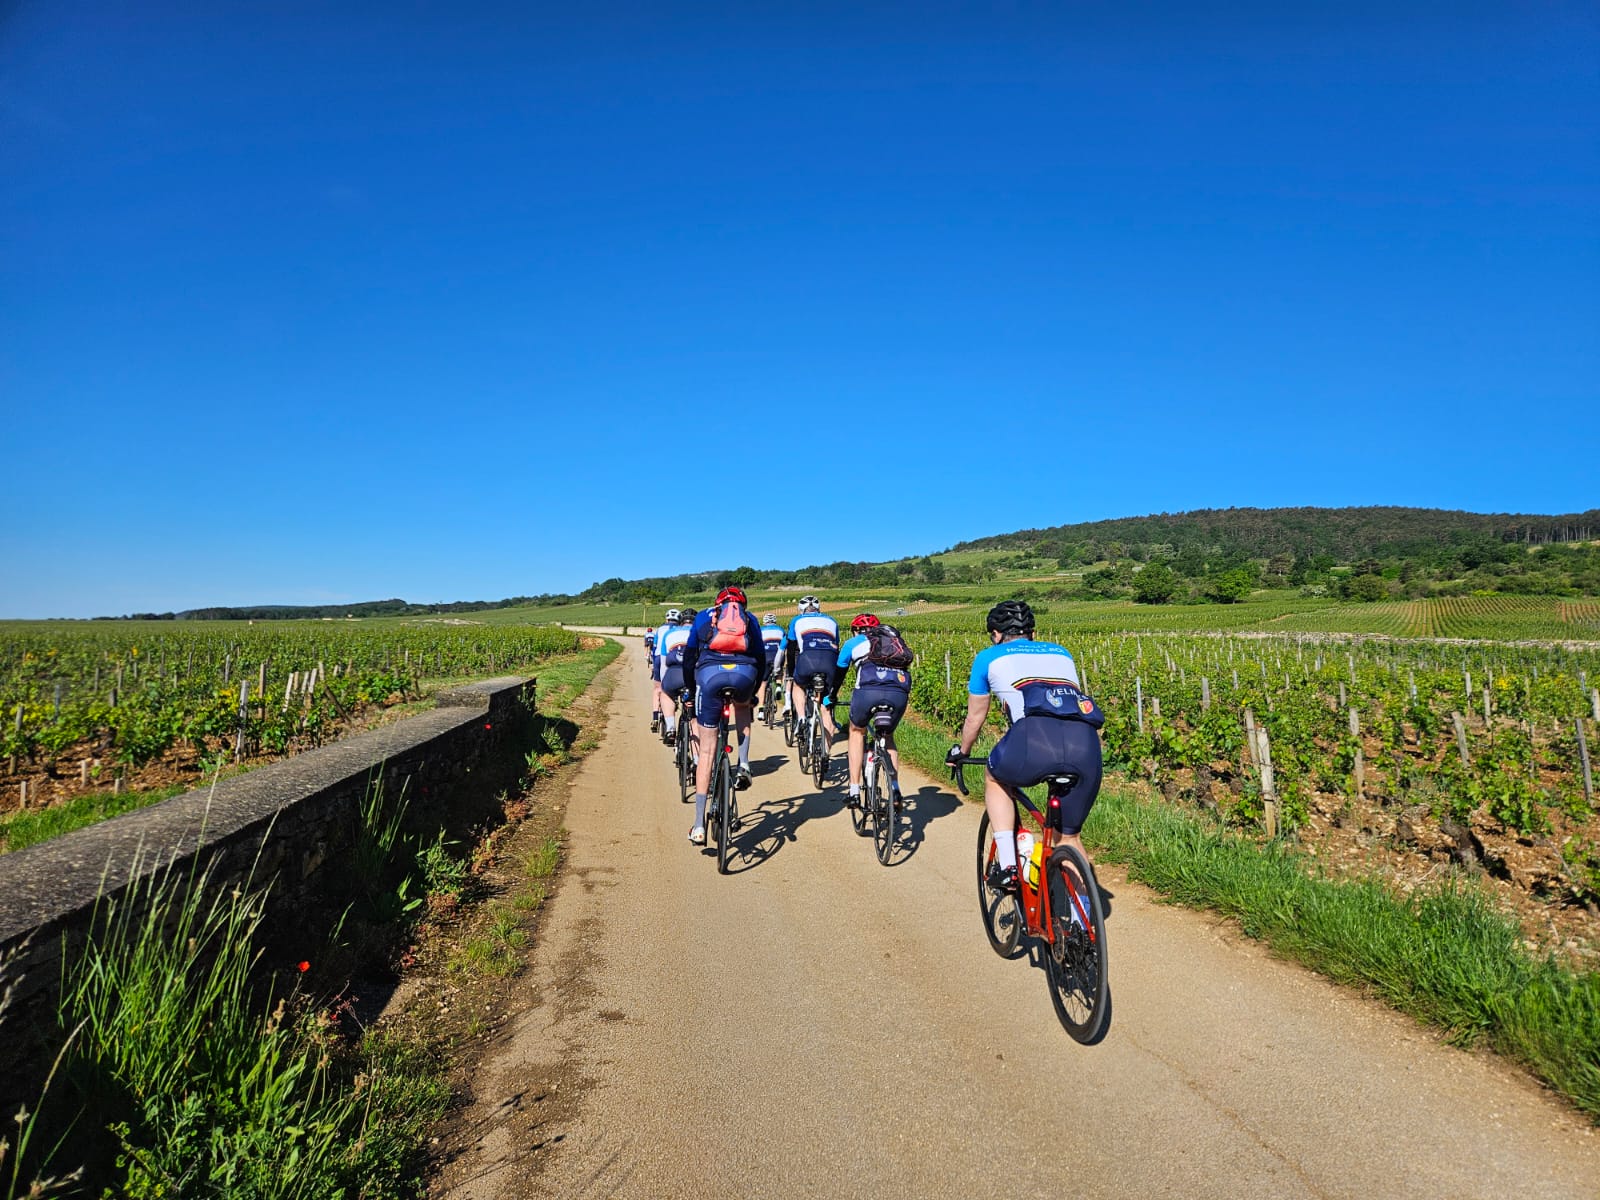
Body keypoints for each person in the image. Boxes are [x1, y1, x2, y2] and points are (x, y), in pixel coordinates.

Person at [945, 600, 1103, 891]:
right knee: (1068, 838)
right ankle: (1083, 923)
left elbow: (975, 717)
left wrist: (962, 751)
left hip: (1033, 737)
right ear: (1032, 632)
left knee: (995, 777)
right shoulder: (1062, 652)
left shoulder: (987, 657)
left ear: (995, 633)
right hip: (1086, 742)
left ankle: (1008, 868)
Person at [681, 587, 767, 844]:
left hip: (710, 676)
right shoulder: (749, 619)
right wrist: (754, 691)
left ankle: (698, 825)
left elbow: (688, 657)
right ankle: (743, 764)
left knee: (707, 752)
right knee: (742, 707)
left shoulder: (703, 616)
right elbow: (761, 658)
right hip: (744, 675)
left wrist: (690, 689)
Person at [835, 614, 911, 811]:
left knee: (856, 731)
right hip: (898, 692)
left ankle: (853, 791)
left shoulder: (853, 643)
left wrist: (830, 696)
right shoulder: (894, 643)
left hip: (868, 692)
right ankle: (895, 789)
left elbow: (839, 674)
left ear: (855, 630)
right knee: (889, 736)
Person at [782, 595, 841, 742]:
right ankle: (825, 755)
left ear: (801, 609)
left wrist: (791, 672)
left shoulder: (796, 620)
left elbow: (791, 648)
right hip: (830, 661)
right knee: (826, 702)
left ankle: (802, 717)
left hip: (807, 659)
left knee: (798, 684)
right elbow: (836, 646)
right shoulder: (832, 620)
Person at [654, 610, 693, 744]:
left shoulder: (670, 633)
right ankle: (696, 758)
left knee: (665, 693)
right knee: (695, 713)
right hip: (694, 674)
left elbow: (665, 663)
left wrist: (665, 683)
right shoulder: (701, 633)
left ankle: (670, 727)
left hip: (674, 672)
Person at [758, 612, 785, 716]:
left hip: (765, 655)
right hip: (778, 654)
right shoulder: (780, 630)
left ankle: (760, 710)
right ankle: (778, 685)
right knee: (779, 670)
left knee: (763, 682)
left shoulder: (760, 630)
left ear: (765, 622)